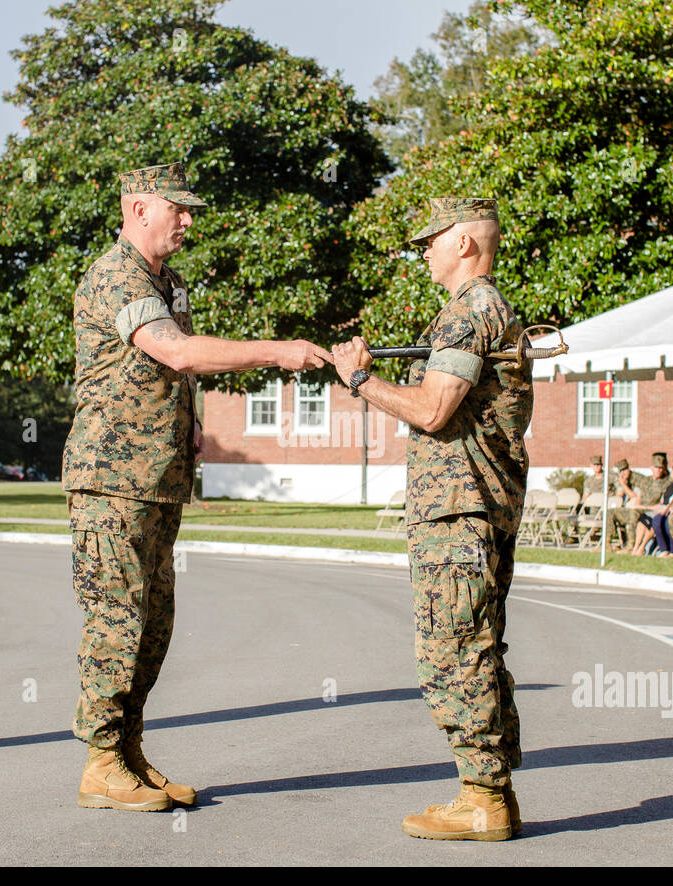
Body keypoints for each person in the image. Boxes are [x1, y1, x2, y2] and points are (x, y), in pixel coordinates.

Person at [66, 162, 332, 813]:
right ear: (137, 211)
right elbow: (178, 353)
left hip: (158, 481)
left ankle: (127, 752)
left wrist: (193, 426)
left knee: (153, 625)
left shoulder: (171, 283)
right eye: (176, 209)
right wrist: (278, 351)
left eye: (190, 211)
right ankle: (101, 763)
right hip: (112, 484)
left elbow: (182, 373)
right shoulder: (115, 276)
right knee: (117, 622)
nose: (188, 221)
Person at [332, 197, 528, 842]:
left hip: (461, 509)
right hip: (470, 504)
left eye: (432, 240)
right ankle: (488, 791)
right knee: (475, 644)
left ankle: (483, 799)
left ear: (465, 243)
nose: (424, 252)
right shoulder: (482, 310)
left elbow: (433, 410)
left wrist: (359, 379)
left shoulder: (471, 310)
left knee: (454, 649)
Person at [646, 461, 673, 556]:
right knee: (647, 519)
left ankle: (671, 549)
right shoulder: (672, 483)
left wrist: (668, 508)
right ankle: (660, 548)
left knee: (662, 521)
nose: (671, 471)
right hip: (663, 508)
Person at [604, 459, 641, 549]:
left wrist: (623, 485)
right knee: (609, 512)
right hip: (626, 508)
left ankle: (630, 545)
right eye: (620, 471)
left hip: (637, 510)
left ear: (629, 469)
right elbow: (619, 495)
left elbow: (635, 497)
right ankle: (607, 544)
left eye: (624, 470)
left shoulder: (637, 479)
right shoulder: (623, 480)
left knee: (631, 515)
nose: (623, 473)